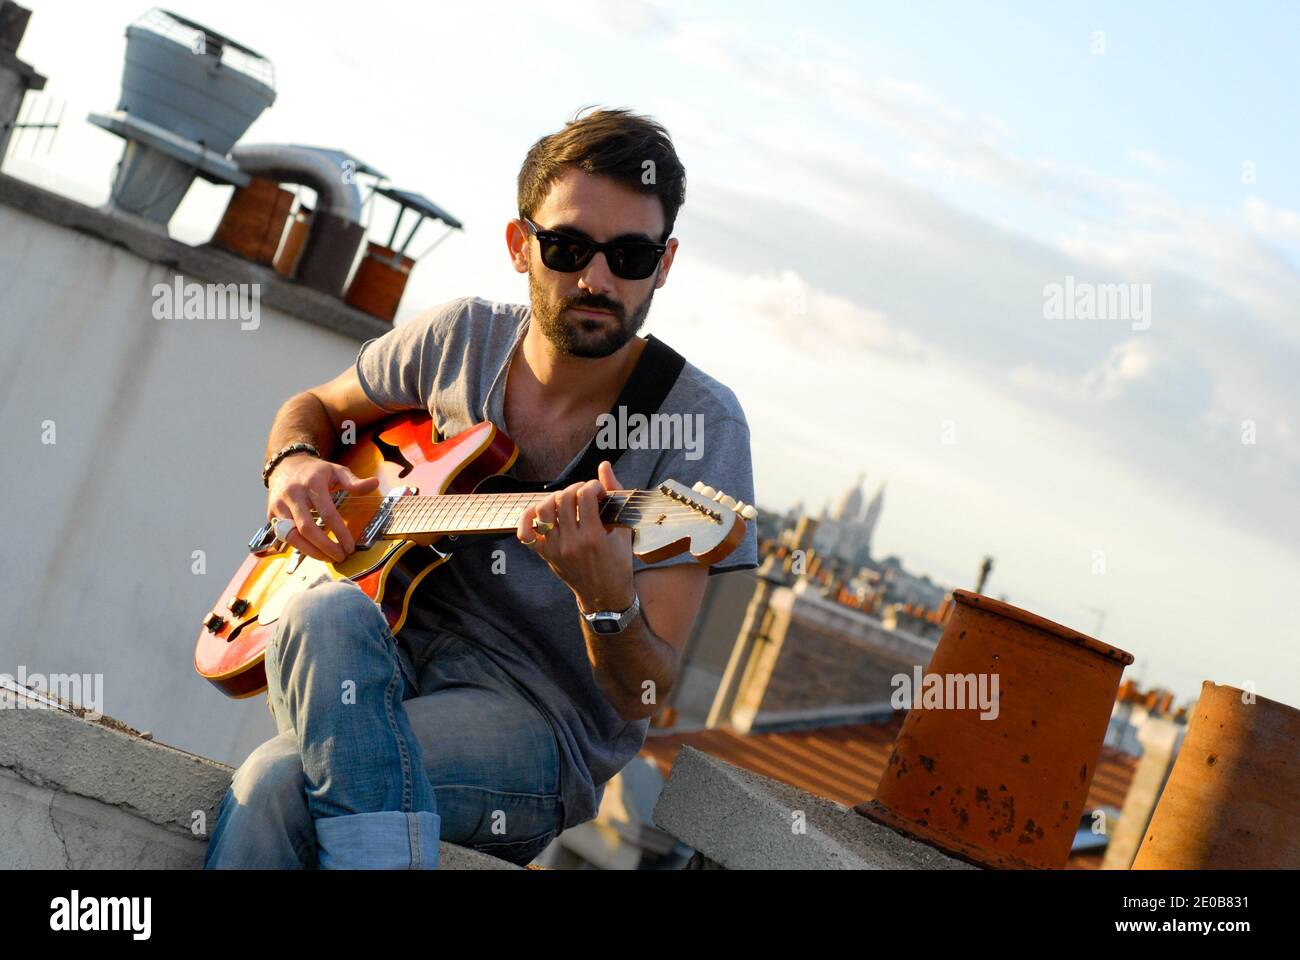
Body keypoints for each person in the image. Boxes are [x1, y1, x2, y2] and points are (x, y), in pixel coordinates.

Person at [203, 106, 758, 869]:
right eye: (567, 247)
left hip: (533, 719)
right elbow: (318, 408)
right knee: (319, 607)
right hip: (374, 657)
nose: (596, 279)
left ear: (663, 265)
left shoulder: (700, 424)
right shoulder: (459, 341)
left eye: (629, 256)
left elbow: (642, 698)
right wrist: (294, 464)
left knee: (275, 784)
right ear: (519, 246)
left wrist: (605, 600)